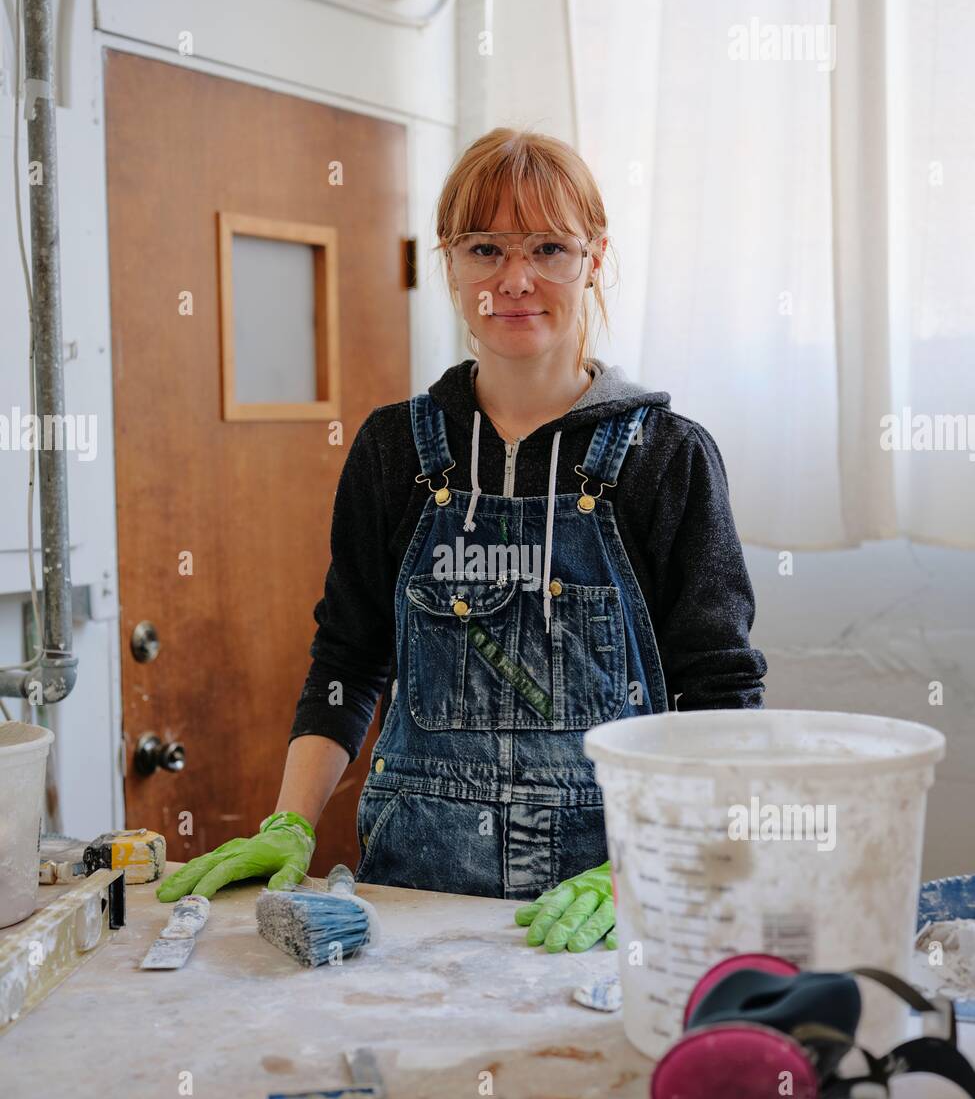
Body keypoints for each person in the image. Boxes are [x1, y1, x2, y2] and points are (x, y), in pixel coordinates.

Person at [158, 128, 767, 951]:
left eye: (549, 247)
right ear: (447, 262)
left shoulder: (667, 456)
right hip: (412, 888)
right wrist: (291, 822)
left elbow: (719, 696)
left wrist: (649, 866)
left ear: (593, 259)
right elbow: (348, 657)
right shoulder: (392, 449)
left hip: (609, 901)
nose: (514, 280)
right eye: (485, 247)